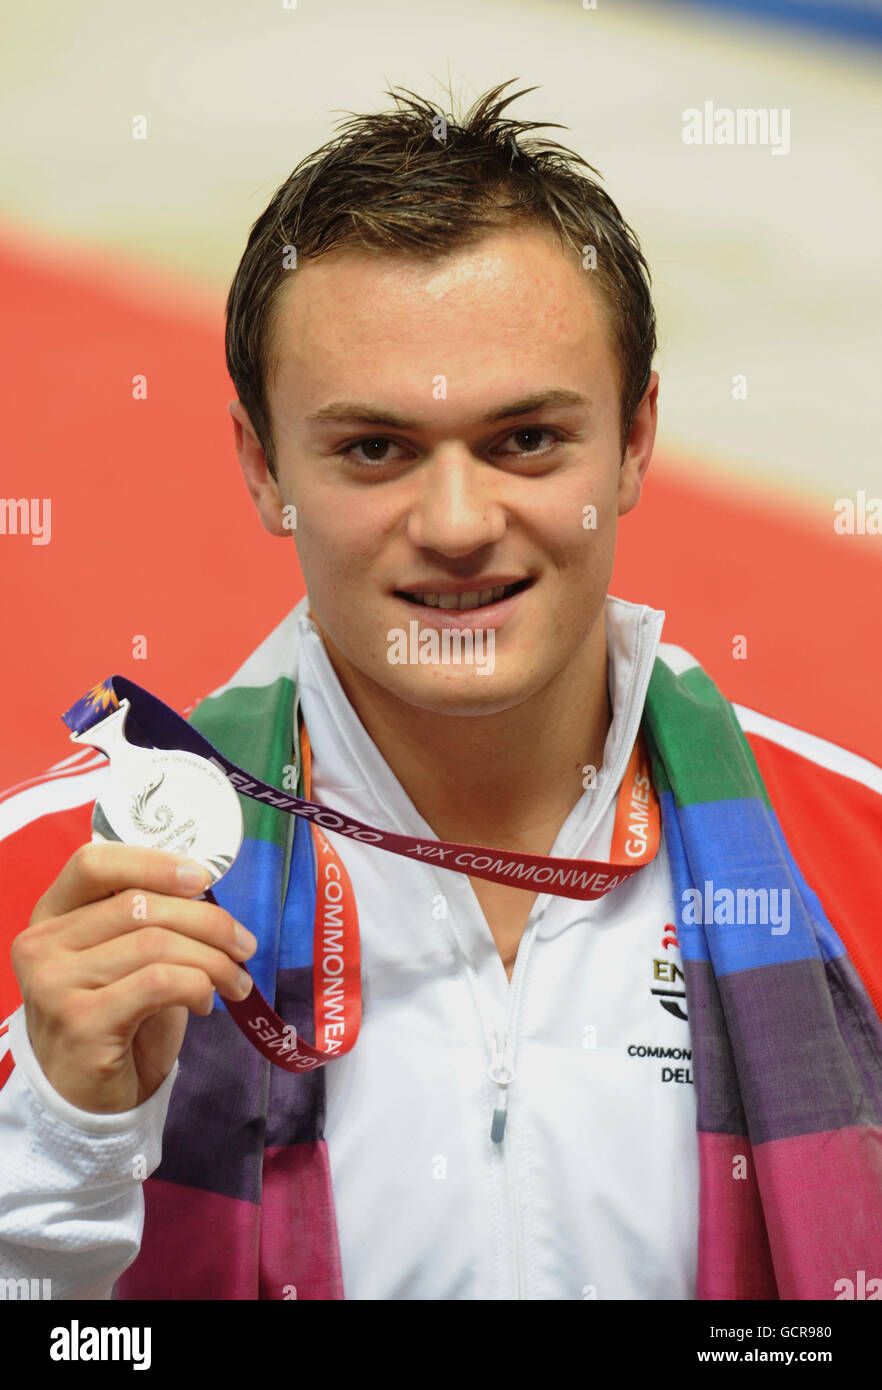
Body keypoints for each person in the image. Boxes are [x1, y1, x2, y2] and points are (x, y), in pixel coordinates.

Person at [1, 80, 880, 1303]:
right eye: (375, 448)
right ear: (265, 469)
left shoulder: (852, 862)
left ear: (633, 441)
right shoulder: (54, 892)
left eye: (526, 440)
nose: (459, 525)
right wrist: (58, 1143)